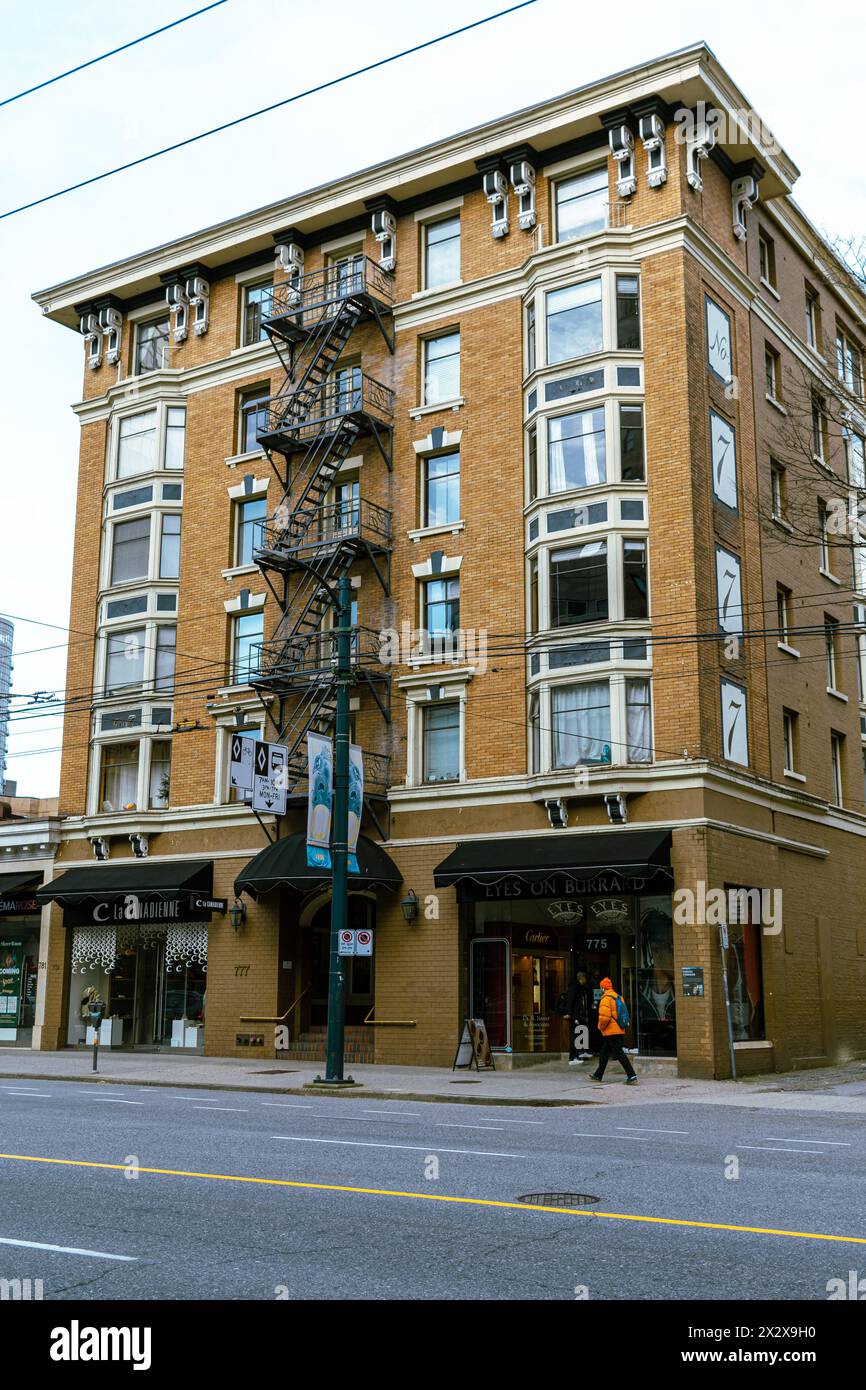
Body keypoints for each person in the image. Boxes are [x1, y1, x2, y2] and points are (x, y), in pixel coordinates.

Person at [589, 977, 638, 1084]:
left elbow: (604, 1017)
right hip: (618, 1029)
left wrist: (600, 1027)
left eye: (601, 987)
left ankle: (632, 1075)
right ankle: (598, 1074)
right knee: (604, 1053)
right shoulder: (618, 997)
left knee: (619, 1053)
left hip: (611, 1031)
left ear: (603, 987)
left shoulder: (605, 999)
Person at [566, 969, 592, 1065]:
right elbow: (571, 1001)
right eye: (585, 978)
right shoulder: (575, 987)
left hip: (578, 1015)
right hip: (575, 1015)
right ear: (582, 978)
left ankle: (578, 1054)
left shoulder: (579, 987)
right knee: (576, 1036)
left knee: (579, 1034)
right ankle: (573, 1057)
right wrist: (570, 1013)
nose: (586, 980)